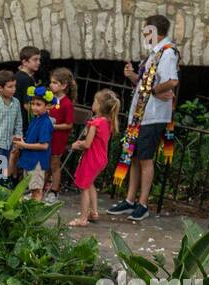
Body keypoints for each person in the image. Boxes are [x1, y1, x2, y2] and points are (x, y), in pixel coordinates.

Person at [108, 14, 180, 222]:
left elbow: (172, 81)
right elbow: (144, 84)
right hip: (141, 114)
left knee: (145, 159)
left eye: (147, 30)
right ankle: (130, 200)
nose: (144, 34)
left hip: (152, 116)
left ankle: (143, 203)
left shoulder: (167, 53)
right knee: (135, 157)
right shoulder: (154, 53)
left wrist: (156, 91)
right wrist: (132, 76)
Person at [69, 89, 120, 228]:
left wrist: (77, 144)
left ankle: (83, 218)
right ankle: (94, 212)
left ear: (99, 106)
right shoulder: (107, 122)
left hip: (91, 159)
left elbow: (87, 144)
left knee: (84, 188)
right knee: (90, 184)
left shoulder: (95, 124)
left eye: (94, 102)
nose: (93, 104)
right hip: (101, 159)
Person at [13, 85, 55, 200]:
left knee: (36, 190)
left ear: (48, 106)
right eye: (32, 104)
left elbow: (44, 145)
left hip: (37, 161)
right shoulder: (36, 118)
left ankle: (36, 209)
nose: (34, 107)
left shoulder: (45, 122)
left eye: (38, 104)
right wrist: (21, 140)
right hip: (30, 158)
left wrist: (24, 145)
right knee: (32, 188)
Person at [7, 45, 41, 180]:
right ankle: (9, 178)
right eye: (35, 59)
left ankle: (11, 176)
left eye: (39, 59)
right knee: (15, 151)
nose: (38, 62)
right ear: (25, 62)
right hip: (21, 121)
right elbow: (27, 105)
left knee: (11, 150)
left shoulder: (16, 76)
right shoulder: (27, 80)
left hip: (12, 118)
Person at [45, 67, 75, 203]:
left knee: (54, 165)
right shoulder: (49, 99)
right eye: (51, 82)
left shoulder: (67, 104)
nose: (51, 85)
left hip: (58, 139)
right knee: (45, 163)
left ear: (63, 86)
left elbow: (69, 124)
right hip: (47, 137)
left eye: (55, 83)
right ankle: (39, 189)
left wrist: (53, 126)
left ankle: (54, 191)